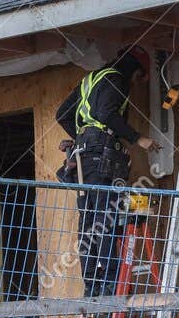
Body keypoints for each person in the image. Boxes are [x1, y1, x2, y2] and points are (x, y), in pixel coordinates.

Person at [56, 46, 156, 298]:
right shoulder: (117, 79)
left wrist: (84, 138)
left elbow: (63, 115)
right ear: (135, 70)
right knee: (105, 220)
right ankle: (111, 283)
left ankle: (92, 285)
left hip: (83, 160)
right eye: (139, 78)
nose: (136, 84)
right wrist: (137, 139)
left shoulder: (91, 79)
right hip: (101, 160)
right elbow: (106, 114)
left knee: (89, 223)